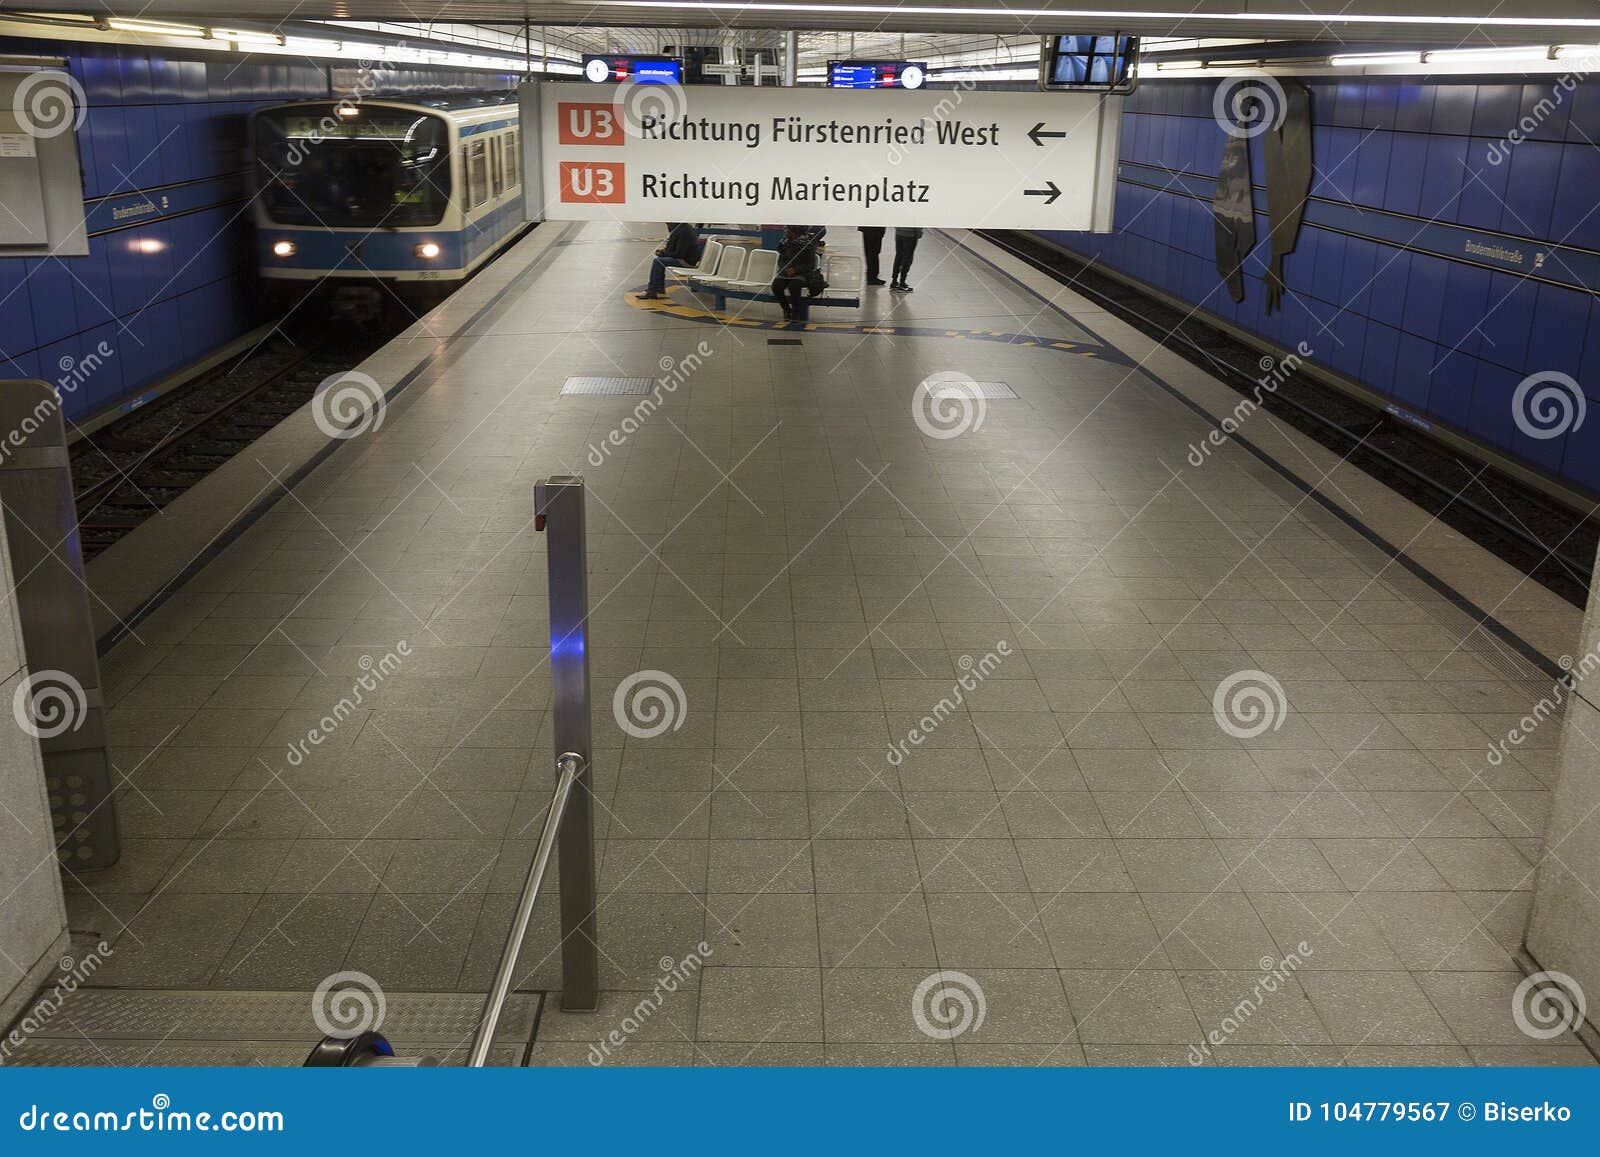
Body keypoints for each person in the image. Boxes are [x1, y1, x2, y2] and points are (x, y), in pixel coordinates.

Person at [771, 225, 823, 321]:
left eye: (787, 230)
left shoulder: (808, 245)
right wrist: (784, 268)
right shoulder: (784, 243)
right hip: (786, 272)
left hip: (802, 274)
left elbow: (810, 265)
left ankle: (796, 311)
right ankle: (786, 309)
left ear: (795, 232)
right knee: (776, 286)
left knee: (794, 286)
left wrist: (796, 270)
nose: (785, 231)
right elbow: (781, 260)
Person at [640, 222, 701, 299]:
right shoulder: (681, 228)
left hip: (687, 261)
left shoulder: (684, 232)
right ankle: (658, 289)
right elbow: (673, 249)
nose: (667, 226)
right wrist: (664, 252)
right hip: (684, 258)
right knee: (660, 261)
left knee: (658, 262)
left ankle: (653, 290)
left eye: (667, 224)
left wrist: (664, 254)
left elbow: (679, 254)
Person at [890, 226, 921, 292]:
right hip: (910, 234)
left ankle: (894, 282)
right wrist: (918, 232)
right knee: (907, 258)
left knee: (898, 257)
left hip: (898, 233)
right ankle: (902, 284)